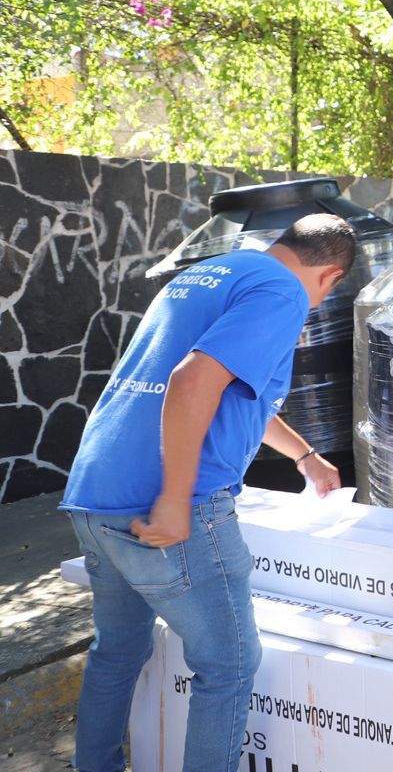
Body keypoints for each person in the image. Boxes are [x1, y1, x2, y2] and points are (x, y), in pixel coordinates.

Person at [60, 214, 354, 772]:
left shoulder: (216, 271)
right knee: (230, 664)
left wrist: (305, 457)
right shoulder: (283, 292)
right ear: (330, 277)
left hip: (97, 488)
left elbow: (236, 392)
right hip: (170, 503)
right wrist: (175, 497)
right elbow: (193, 380)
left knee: (118, 651)